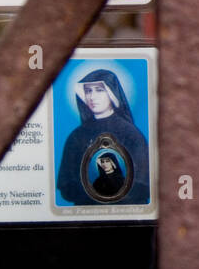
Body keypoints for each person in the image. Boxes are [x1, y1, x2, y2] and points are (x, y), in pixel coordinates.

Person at [56, 68, 149, 206]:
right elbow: (67, 185)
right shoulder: (77, 136)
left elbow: (142, 184)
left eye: (99, 90)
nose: (92, 97)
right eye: (88, 91)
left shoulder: (131, 134)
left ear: (111, 93)